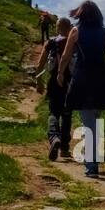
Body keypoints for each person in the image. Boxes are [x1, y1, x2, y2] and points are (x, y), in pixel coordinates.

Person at [56, 0, 105, 178]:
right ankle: (91, 160)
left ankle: (91, 166)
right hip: (101, 80)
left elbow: (66, 56)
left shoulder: (75, 31)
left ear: (80, 15)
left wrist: (60, 73)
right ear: (98, 16)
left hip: (82, 79)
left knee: (89, 122)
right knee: (94, 121)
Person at [34, 16, 74, 160]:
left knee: (53, 113)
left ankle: (54, 138)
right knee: (67, 114)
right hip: (70, 82)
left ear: (57, 28)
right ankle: (64, 147)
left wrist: (38, 81)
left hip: (53, 82)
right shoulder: (74, 42)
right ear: (70, 28)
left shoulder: (50, 43)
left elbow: (40, 64)